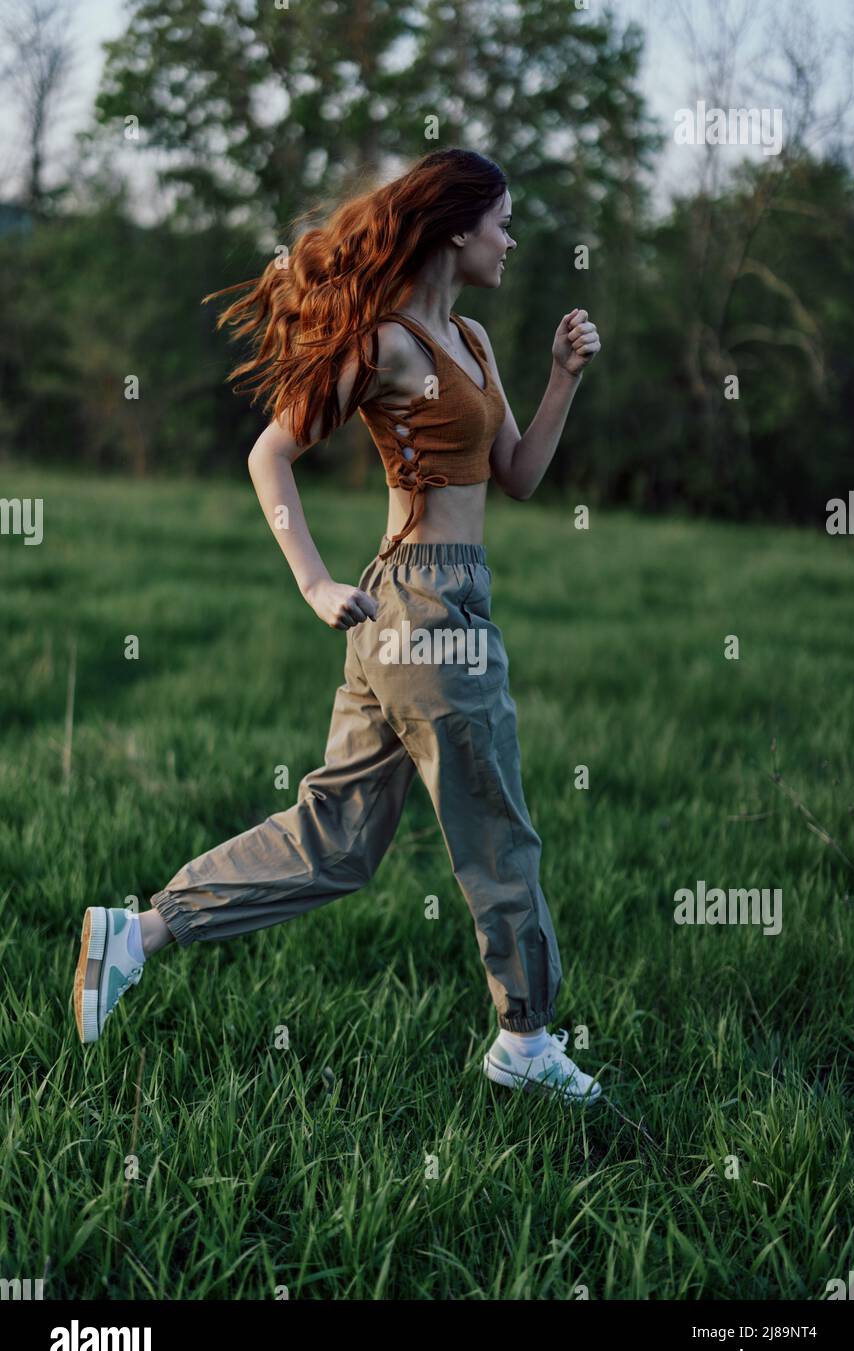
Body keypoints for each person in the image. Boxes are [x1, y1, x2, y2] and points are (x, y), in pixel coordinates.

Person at [73, 147, 603, 1104]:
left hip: (446, 601)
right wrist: (313, 581)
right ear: (454, 228)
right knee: (497, 832)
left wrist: (562, 375)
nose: (513, 240)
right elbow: (270, 454)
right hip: (419, 608)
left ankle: (139, 934)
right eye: (502, 222)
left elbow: (518, 475)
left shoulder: (474, 341)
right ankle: (524, 1041)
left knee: (338, 840)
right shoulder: (387, 343)